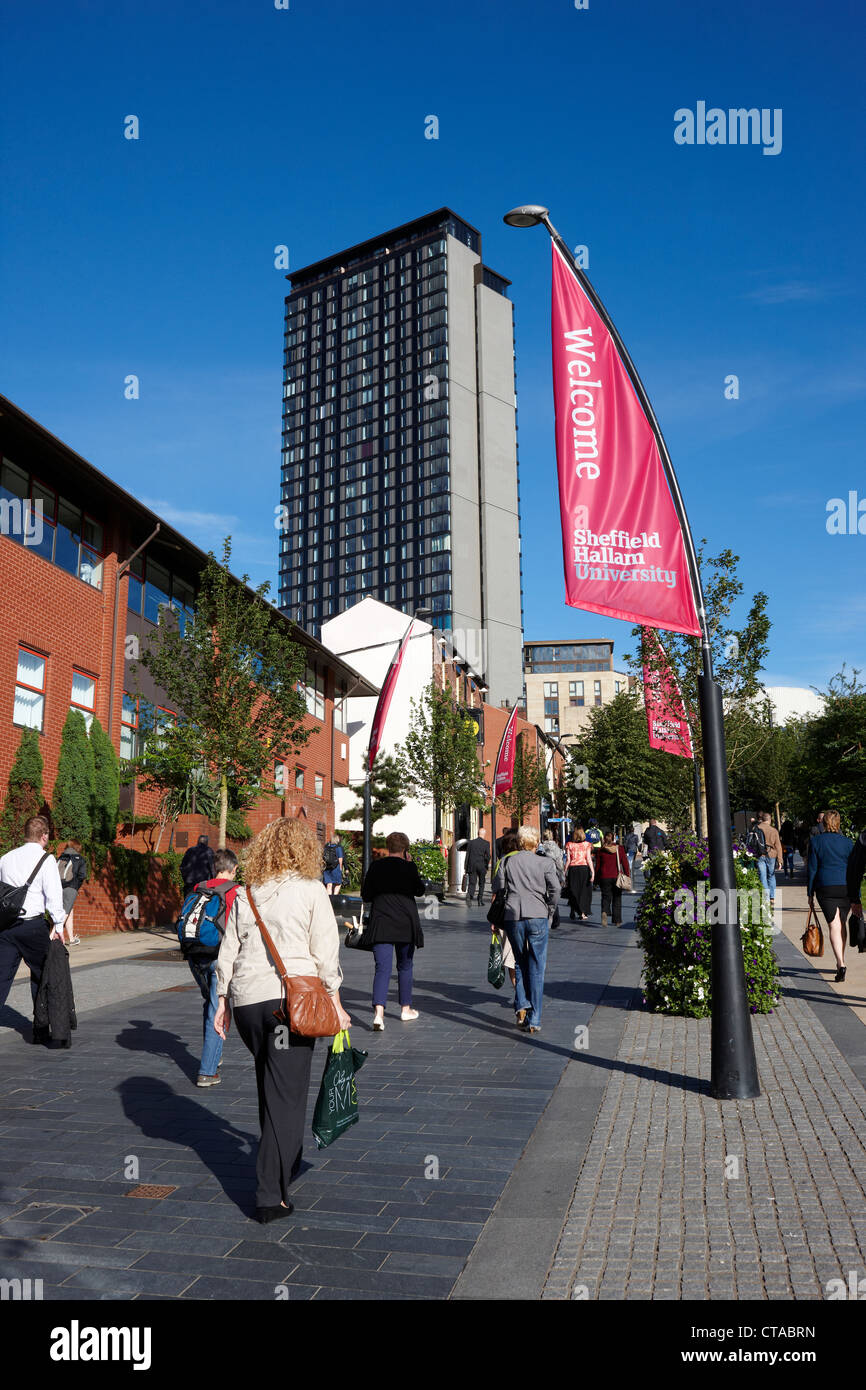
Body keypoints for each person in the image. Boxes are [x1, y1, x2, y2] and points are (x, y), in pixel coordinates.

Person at [213, 818, 350, 1223]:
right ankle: (270, 1195)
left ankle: (284, 1162)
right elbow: (326, 955)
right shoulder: (310, 891)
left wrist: (221, 1000)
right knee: (288, 1098)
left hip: (247, 1003)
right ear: (304, 850)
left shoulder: (246, 892)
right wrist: (337, 1005)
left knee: (270, 1088)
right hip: (289, 1006)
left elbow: (228, 949)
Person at [0, 816, 66, 1037]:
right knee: (42, 975)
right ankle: (41, 1029)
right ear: (44, 835)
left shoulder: (6, 858)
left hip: (7, 927)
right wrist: (58, 926)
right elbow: (54, 897)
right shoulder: (46, 860)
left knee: (1, 978)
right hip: (33, 926)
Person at [492, 825, 560, 1033]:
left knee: (520, 962)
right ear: (536, 842)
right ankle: (535, 1018)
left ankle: (522, 1004)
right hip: (538, 915)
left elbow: (498, 888)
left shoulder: (507, 861)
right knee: (537, 966)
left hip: (514, 916)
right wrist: (549, 909)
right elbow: (555, 888)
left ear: (521, 842)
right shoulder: (545, 862)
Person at [361, 831, 426, 1030]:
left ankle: (379, 1014)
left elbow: (366, 895)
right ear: (405, 849)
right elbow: (420, 890)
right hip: (406, 924)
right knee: (405, 967)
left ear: (388, 847)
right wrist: (410, 864)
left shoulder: (376, 866)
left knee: (382, 969)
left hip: (381, 923)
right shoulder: (409, 867)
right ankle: (405, 1009)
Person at [187, 848, 239, 1088]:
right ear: (233, 869)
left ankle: (214, 1056)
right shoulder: (235, 892)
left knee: (210, 1004)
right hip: (219, 957)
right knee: (217, 1010)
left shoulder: (199, 888)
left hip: (195, 957)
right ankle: (207, 1072)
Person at [807, 809, 853, 983]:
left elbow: (812, 869)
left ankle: (840, 963)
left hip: (825, 886)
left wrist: (809, 893)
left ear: (823, 822)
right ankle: (841, 958)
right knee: (842, 923)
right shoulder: (848, 843)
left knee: (833, 925)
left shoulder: (816, 841)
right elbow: (853, 869)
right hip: (845, 886)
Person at [490, 831, 518, 990]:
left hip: (507, 913)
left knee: (511, 955)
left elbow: (497, 892)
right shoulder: (530, 860)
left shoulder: (502, 863)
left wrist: (494, 920)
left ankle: (518, 991)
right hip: (530, 914)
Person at [595, 831, 630, 927]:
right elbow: (625, 864)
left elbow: (597, 866)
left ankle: (605, 911)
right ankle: (617, 920)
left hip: (604, 877)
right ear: (614, 837)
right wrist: (627, 875)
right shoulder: (619, 849)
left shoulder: (601, 850)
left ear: (604, 838)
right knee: (617, 898)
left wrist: (596, 879)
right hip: (616, 877)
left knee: (605, 897)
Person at [57, 839, 88, 945]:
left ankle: (71, 939)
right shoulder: (79, 859)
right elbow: (82, 875)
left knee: (69, 911)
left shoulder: (61, 857)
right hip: (71, 887)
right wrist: (76, 887)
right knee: (64, 913)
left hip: (59, 886)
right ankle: (52, 936)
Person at [755, 812, 784, 916]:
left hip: (760, 855)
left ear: (762, 819)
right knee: (771, 876)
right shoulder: (773, 830)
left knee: (762, 876)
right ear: (770, 820)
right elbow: (778, 846)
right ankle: (772, 897)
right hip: (771, 855)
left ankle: (766, 898)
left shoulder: (756, 829)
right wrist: (780, 860)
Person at [538, 828, 566, 927]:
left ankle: (545, 916)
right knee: (554, 895)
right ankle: (555, 918)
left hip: (541, 874)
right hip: (553, 873)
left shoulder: (539, 848)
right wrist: (562, 877)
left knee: (543, 894)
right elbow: (559, 864)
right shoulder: (557, 848)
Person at [564, 830, 594, 921]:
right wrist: (593, 871)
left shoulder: (569, 845)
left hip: (573, 869)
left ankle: (573, 909)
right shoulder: (587, 845)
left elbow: (568, 860)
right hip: (583, 869)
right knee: (583, 891)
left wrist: (564, 871)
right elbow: (588, 859)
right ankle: (582, 912)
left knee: (573, 890)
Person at [465, 829, 491, 906]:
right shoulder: (486, 843)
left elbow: (468, 855)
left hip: (472, 865)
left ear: (477, 833)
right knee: (482, 883)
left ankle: (469, 896)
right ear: (484, 834)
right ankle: (480, 900)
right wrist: (486, 865)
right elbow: (488, 856)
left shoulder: (471, 842)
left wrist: (466, 867)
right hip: (481, 865)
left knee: (472, 882)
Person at [322, 832, 344, 896]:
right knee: (338, 884)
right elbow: (340, 859)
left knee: (329, 884)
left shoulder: (326, 847)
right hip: (336, 868)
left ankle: (329, 899)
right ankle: (334, 898)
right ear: (337, 840)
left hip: (327, 868)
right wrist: (340, 868)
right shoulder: (338, 847)